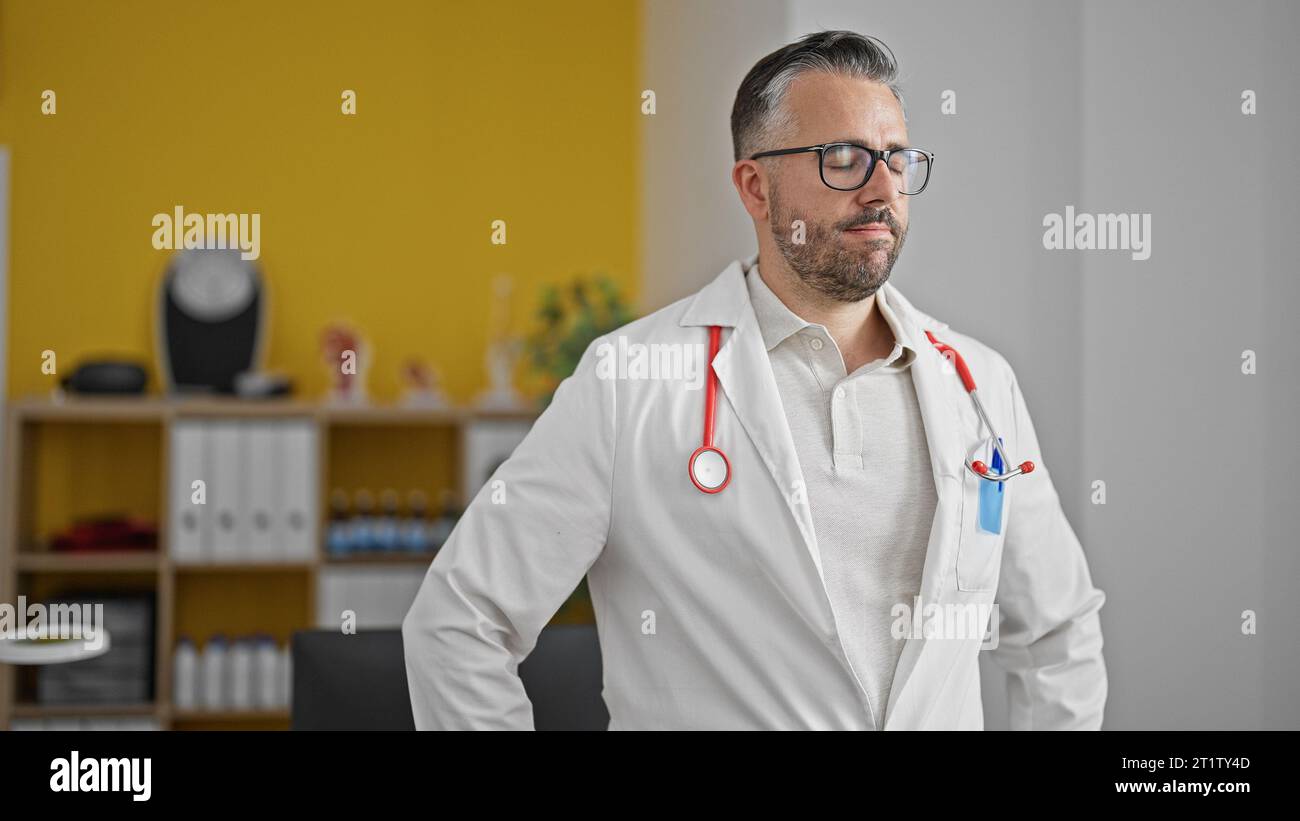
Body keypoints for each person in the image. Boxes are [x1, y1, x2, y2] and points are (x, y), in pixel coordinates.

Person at [403, 30, 1107, 730]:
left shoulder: (978, 383)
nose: (884, 187)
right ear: (755, 187)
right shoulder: (631, 382)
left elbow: (1057, 633)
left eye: (896, 158)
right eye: (844, 159)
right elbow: (459, 621)